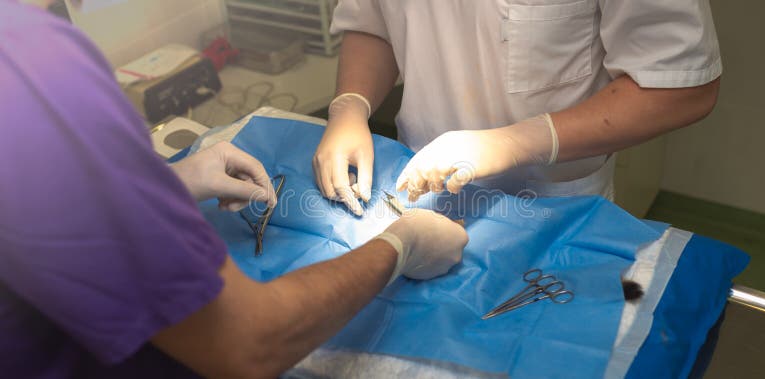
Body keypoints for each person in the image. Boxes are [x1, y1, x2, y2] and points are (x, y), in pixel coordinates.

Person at [0, 1, 468, 378]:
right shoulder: (33, 66)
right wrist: (400, 244)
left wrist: (163, 184)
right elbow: (249, 343)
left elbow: (37, 209)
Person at [313, 0, 722, 215]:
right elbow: (373, 22)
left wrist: (517, 142)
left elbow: (681, 85)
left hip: (550, 210)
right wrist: (351, 104)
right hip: (416, 187)